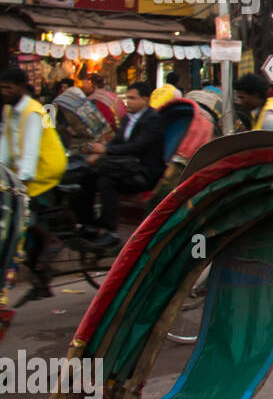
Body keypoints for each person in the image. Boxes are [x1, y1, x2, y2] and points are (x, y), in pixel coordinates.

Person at [68, 82, 164, 250]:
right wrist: (99, 153)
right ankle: (87, 223)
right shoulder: (127, 119)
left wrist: (106, 149)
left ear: (145, 99)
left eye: (133, 98)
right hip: (124, 167)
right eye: (127, 98)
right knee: (87, 174)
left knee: (107, 181)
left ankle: (110, 231)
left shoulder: (153, 119)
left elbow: (138, 146)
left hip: (144, 171)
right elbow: (117, 141)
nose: (128, 102)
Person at [0, 68, 68, 301]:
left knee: (25, 220)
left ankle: (44, 259)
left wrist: (19, 184)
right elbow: (6, 148)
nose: (4, 92)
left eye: (8, 87)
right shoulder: (10, 110)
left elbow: (29, 153)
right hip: (24, 173)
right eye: (2, 87)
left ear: (21, 87)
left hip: (44, 171)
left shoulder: (33, 112)